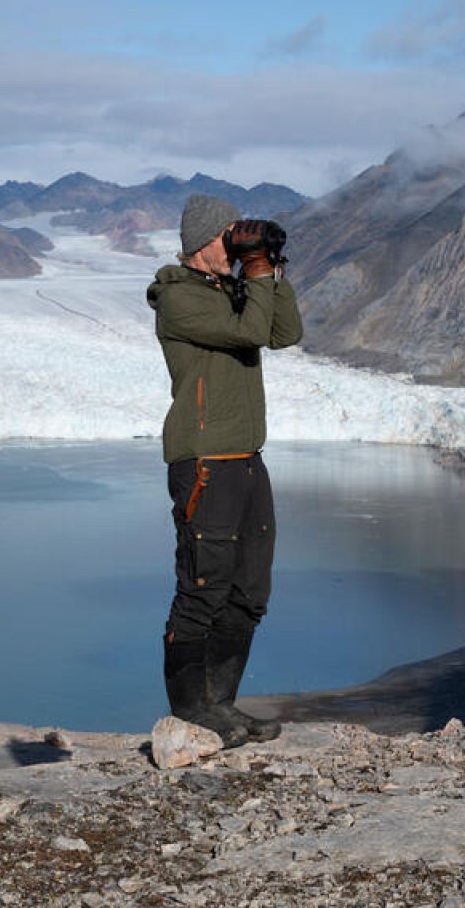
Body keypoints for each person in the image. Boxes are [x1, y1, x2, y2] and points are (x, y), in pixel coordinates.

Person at [145, 194, 302, 749]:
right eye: (231, 235)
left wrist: (269, 269)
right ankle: (191, 712)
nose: (238, 245)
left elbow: (285, 332)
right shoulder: (180, 300)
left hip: (246, 458)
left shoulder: (230, 292)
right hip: (206, 459)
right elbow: (251, 332)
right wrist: (255, 271)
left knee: (248, 589)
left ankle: (223, 705)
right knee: (203, 588)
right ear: (204, 241)